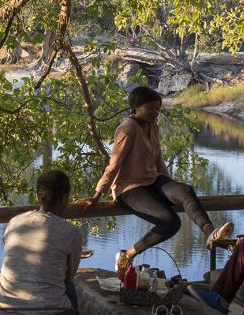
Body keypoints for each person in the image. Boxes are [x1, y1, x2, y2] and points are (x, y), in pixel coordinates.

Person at [76, 85, 232, 267]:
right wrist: (97, 194)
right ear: (137, 106)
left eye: (157, 108)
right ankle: (128, 254)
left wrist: (170, 188)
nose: (155, 112)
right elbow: (114, 164)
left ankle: (212, 235)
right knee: (170, 221)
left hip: (152, 180)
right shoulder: (127, 129)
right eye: (151, 107)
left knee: (185, 190)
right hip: (129, 188)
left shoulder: (153, 127)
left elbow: (158, 160)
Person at [0, 169, 81, 315]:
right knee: (69, 288)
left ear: (38, 197)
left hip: (2, 313)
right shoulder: (71, 233)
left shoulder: (14, 222)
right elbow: (68, 276)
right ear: (64, 198)